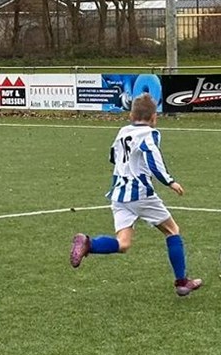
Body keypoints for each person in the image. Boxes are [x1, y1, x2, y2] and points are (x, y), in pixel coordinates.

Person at [69, 92, 201, 297]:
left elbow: (113, 156)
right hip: (140, 193)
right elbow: (153, 159)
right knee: (172, 230)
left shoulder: (122, 131)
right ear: (154, 117)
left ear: (131, 116)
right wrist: (170, 181)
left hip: (118, 194)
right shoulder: (150, 134)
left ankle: (89, 243)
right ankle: (182, 282)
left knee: (123, 244)